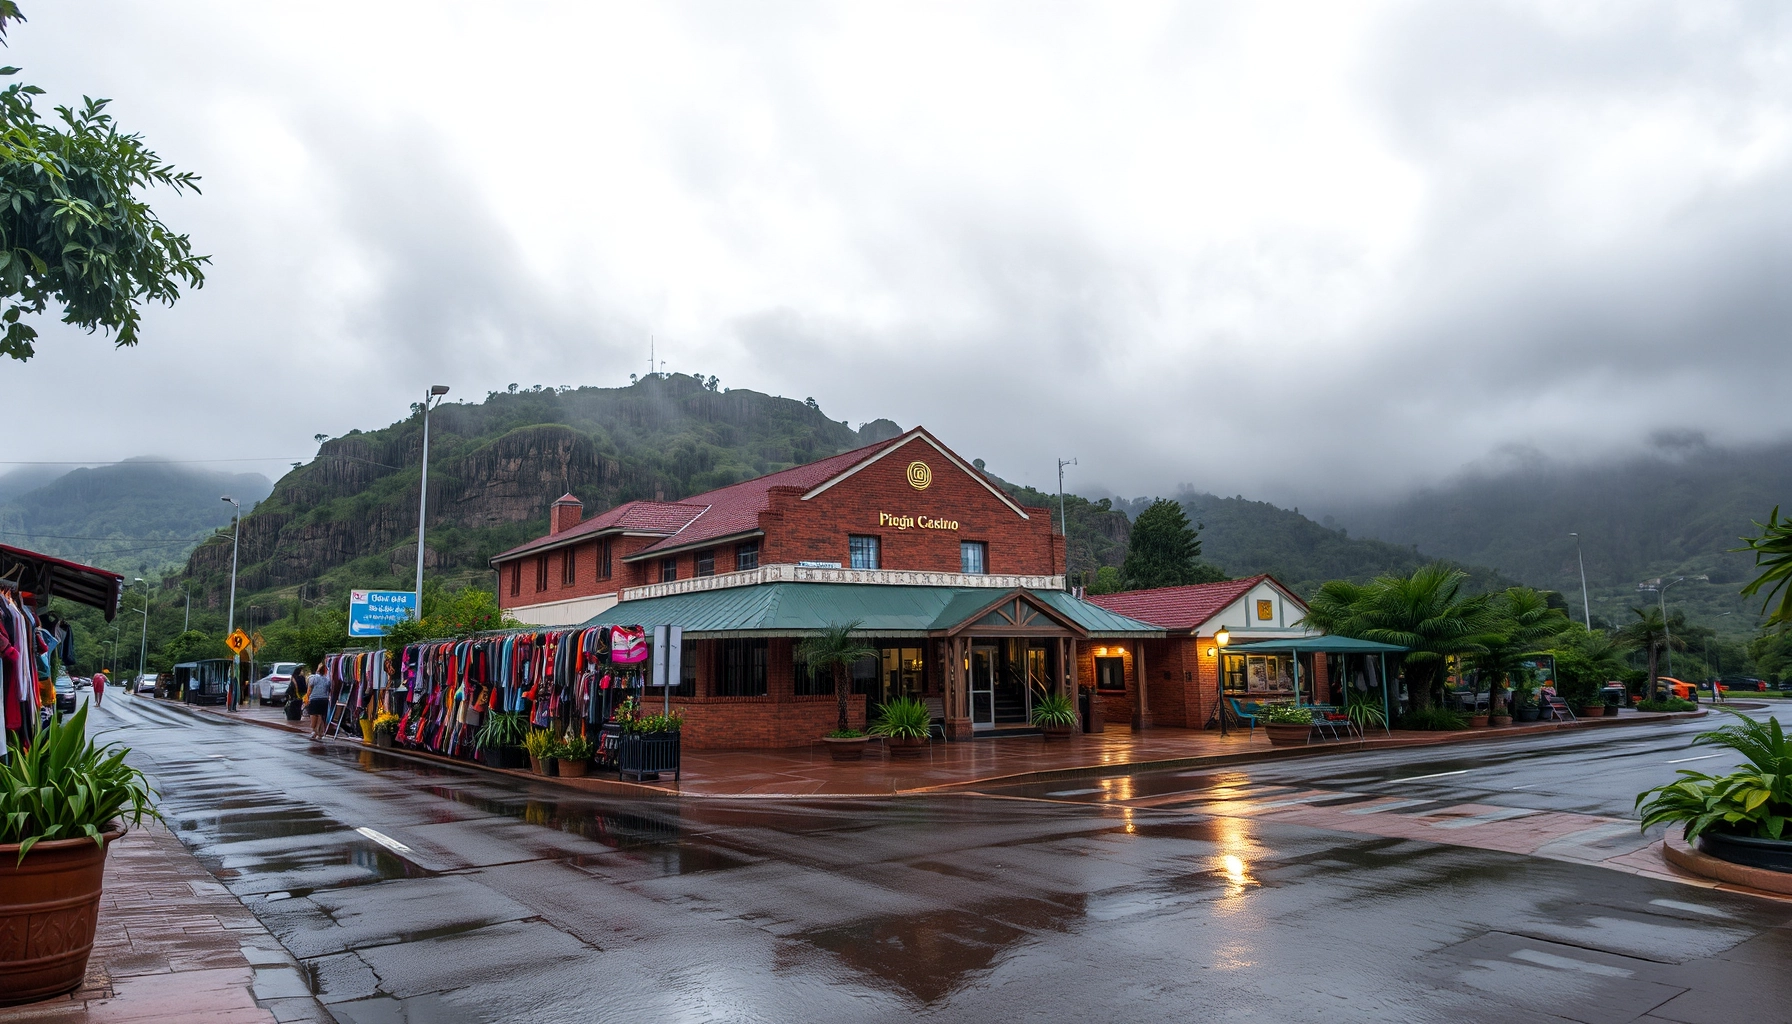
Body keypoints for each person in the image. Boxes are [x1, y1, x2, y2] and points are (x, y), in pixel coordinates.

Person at [306, 663, 332, 740]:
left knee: (313, 715)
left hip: (314, 698)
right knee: (320, 715)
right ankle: (319, 732)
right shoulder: (327, 679)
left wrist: (307, 697)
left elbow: (309, 689)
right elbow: (329, 689)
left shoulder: (313, 678)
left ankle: (314, 730)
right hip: (324, 699)